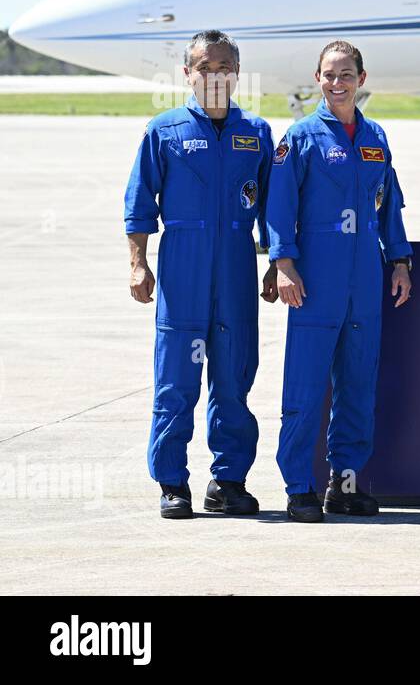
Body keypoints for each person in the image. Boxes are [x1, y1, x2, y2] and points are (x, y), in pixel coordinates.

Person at [124, 30, 277, 519]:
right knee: (176, 380)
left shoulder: (256, 132)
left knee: (234, 378)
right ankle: (172, 482)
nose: (214, 76)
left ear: (237, 73)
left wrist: (277, 260)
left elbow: (274, 207)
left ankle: (228, 480)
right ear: (188, 74)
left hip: (235, 267)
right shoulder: (163, 131)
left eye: (224, 67)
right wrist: (137, 262)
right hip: (182, 271)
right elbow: (140, 203)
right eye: (203, 68)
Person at [267, 40, 413, 522]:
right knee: (305, 388)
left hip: (365, 278)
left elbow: (389, 204)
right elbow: (280, 206)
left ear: (361, 79)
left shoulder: (376, 139)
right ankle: (298, 487)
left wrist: (399, 260)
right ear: (317, 78)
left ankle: (344, 485)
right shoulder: (301, 137)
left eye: (346, 74)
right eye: (329, 75)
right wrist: (283, 263)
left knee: (356, 386)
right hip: (316, 279)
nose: (337, 83)